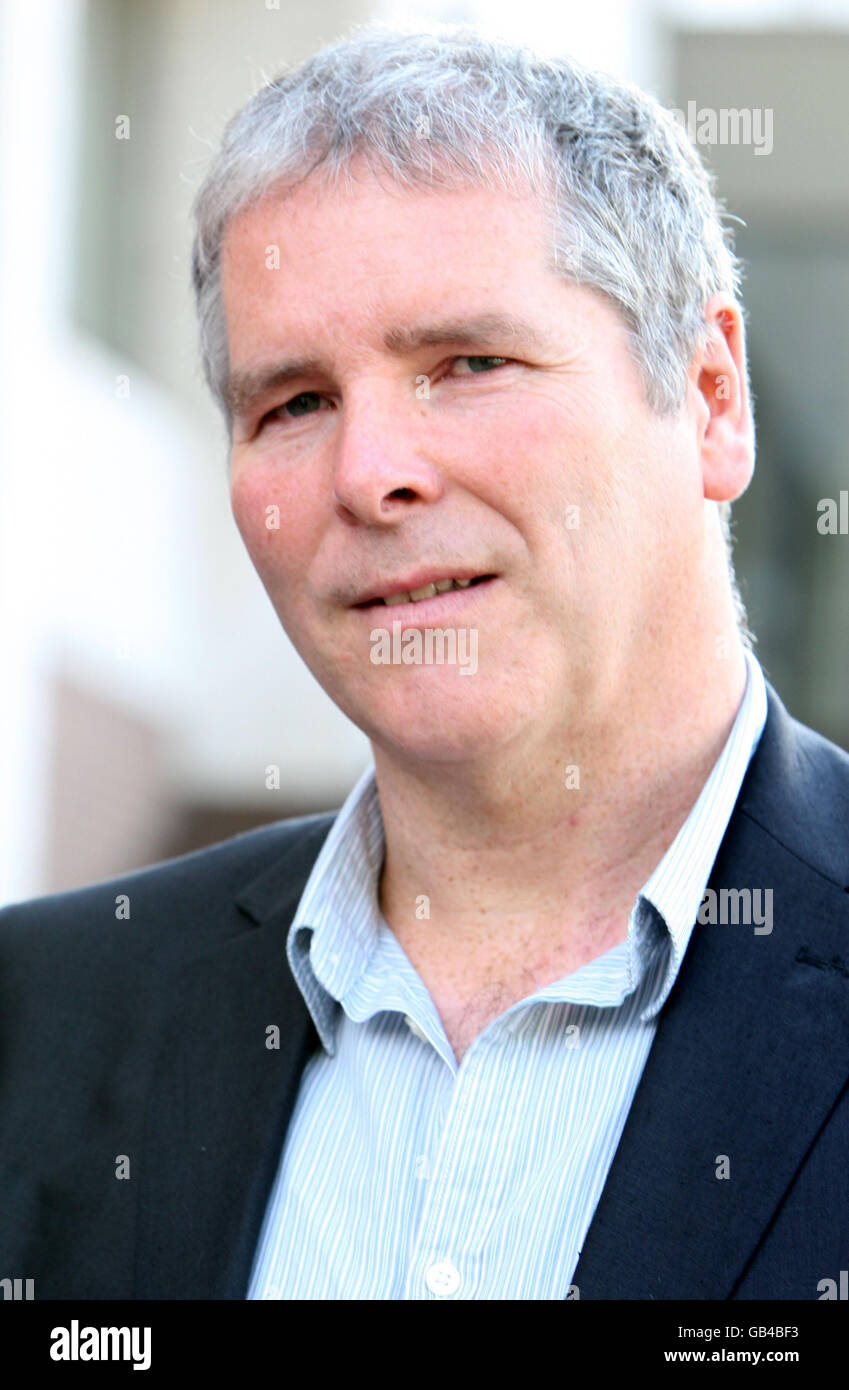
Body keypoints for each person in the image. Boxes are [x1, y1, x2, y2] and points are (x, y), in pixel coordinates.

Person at [1, 24, 847, 1303]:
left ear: (711, 399)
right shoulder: (41, 1017)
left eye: (467, 364)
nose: (368, 473)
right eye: (294, 402)